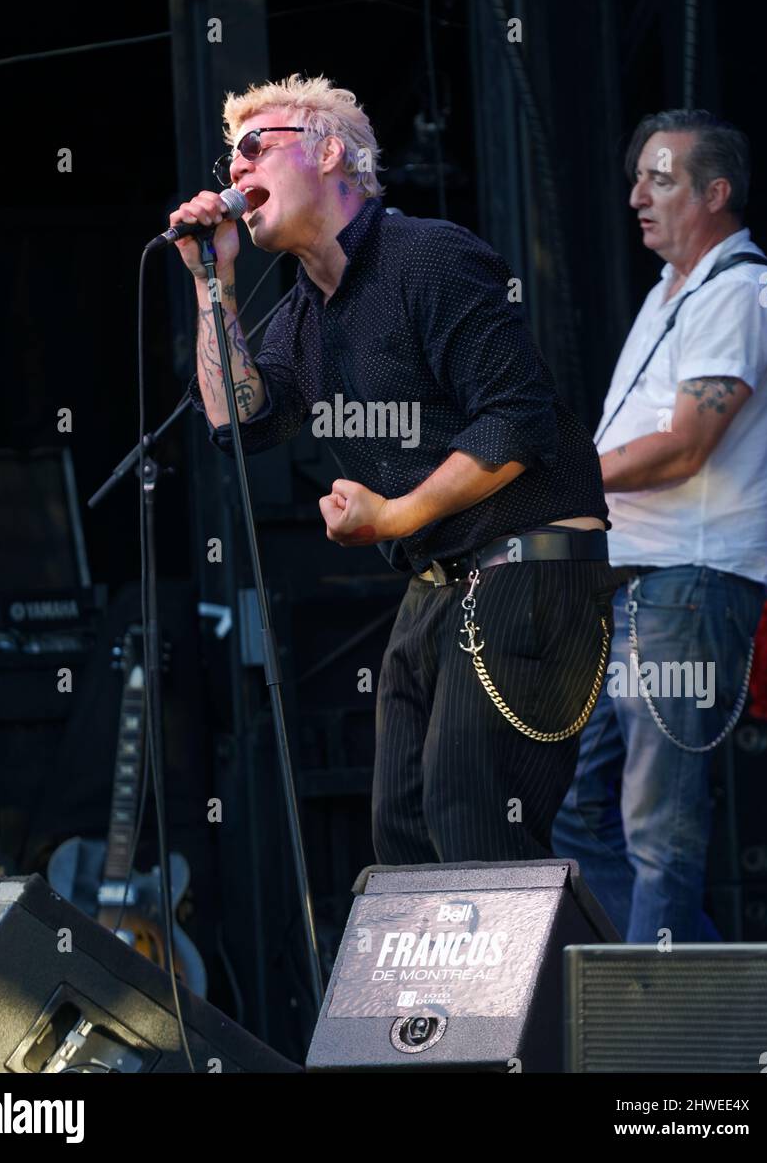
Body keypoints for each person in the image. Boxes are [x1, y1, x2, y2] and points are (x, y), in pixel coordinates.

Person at [173, 73, 615, 865]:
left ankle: (561, 995)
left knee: (476, 822)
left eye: (252, 148)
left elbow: (518, 421)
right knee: (404, 836)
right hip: (437, 581)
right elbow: (237, 419)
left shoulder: (429, 257)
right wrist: (216, 284)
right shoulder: (307, 310)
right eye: (226, 163)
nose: (235, 173)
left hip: (527, 568)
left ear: (331, 150)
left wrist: (395, 514)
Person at [552, 109, 767, 941]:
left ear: (715, 193)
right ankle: (693, 997)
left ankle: (662, 1022)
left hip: (685, 586)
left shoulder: (741, 290)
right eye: (636, 179)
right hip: (640, 583)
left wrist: (560, 480)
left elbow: (686, 447)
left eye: (660, 179)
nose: (635, 197)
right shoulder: (672, 291)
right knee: (579, 815)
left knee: (657, 831)